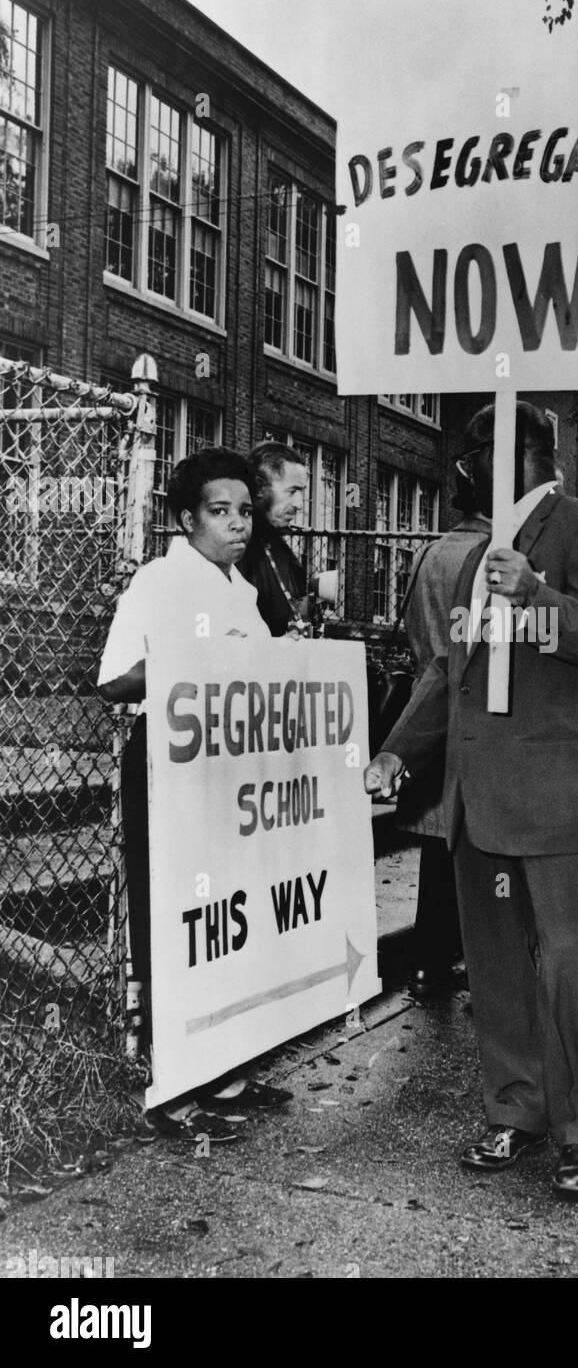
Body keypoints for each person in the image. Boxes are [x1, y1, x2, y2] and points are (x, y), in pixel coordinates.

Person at [364, 402, 578, 1198]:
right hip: (475, 798)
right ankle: (515, 1108)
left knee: (569, 965)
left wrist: (538, 598)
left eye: (475, 453)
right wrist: (396, 750)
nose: (462, 469)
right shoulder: (482, 550)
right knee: (493, 968)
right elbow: (450, 671)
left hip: (554, 797)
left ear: (523, 453)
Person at [98, 448, 292, 1139]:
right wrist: (195, 666)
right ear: (186, 518)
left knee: (224, 918)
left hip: (230, 774)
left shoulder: (239, 589)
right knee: (169, 917)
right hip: (167, 767)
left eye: (244, 511)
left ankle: (225, 1070)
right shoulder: (161, 581)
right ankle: (169, 1083)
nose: (237, 524)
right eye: (219, 512)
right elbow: (115, 678)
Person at [396, 468, 491, 997]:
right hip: (476, 715)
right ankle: (477, 966)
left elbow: (415, 629)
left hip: (430, 713)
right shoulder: (492, 559)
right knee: (478, 847)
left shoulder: (432, 552)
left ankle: (429, 961)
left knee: (438, 849)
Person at [237, 441, 310, 636]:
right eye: (292, 491)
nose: (299, 504)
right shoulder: (233, 546)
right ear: (259, 487)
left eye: (301, 492)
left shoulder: (279, 548)